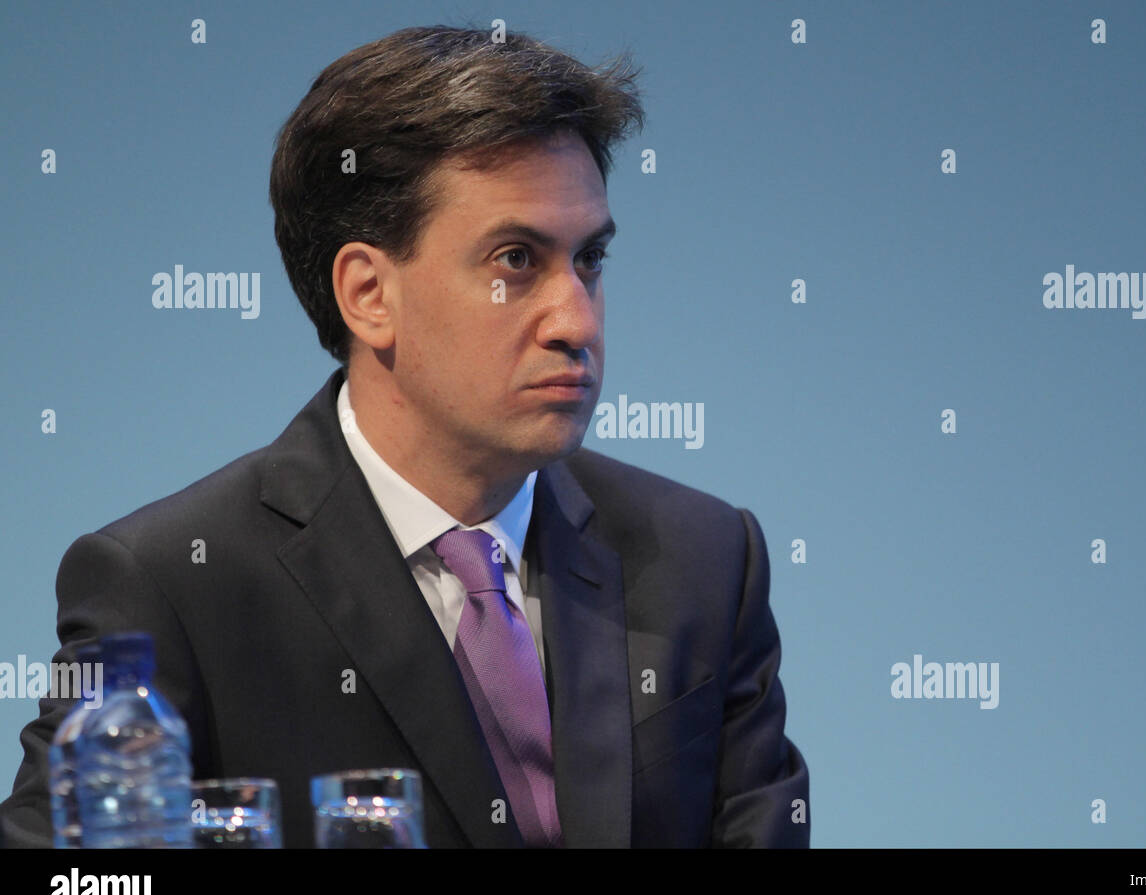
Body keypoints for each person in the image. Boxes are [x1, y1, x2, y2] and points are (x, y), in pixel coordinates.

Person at [0, 24, 809, 848]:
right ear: (367, 294)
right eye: (516, 261)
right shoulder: (174, 587)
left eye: (589, 259)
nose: (577, 319)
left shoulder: (703, 557)